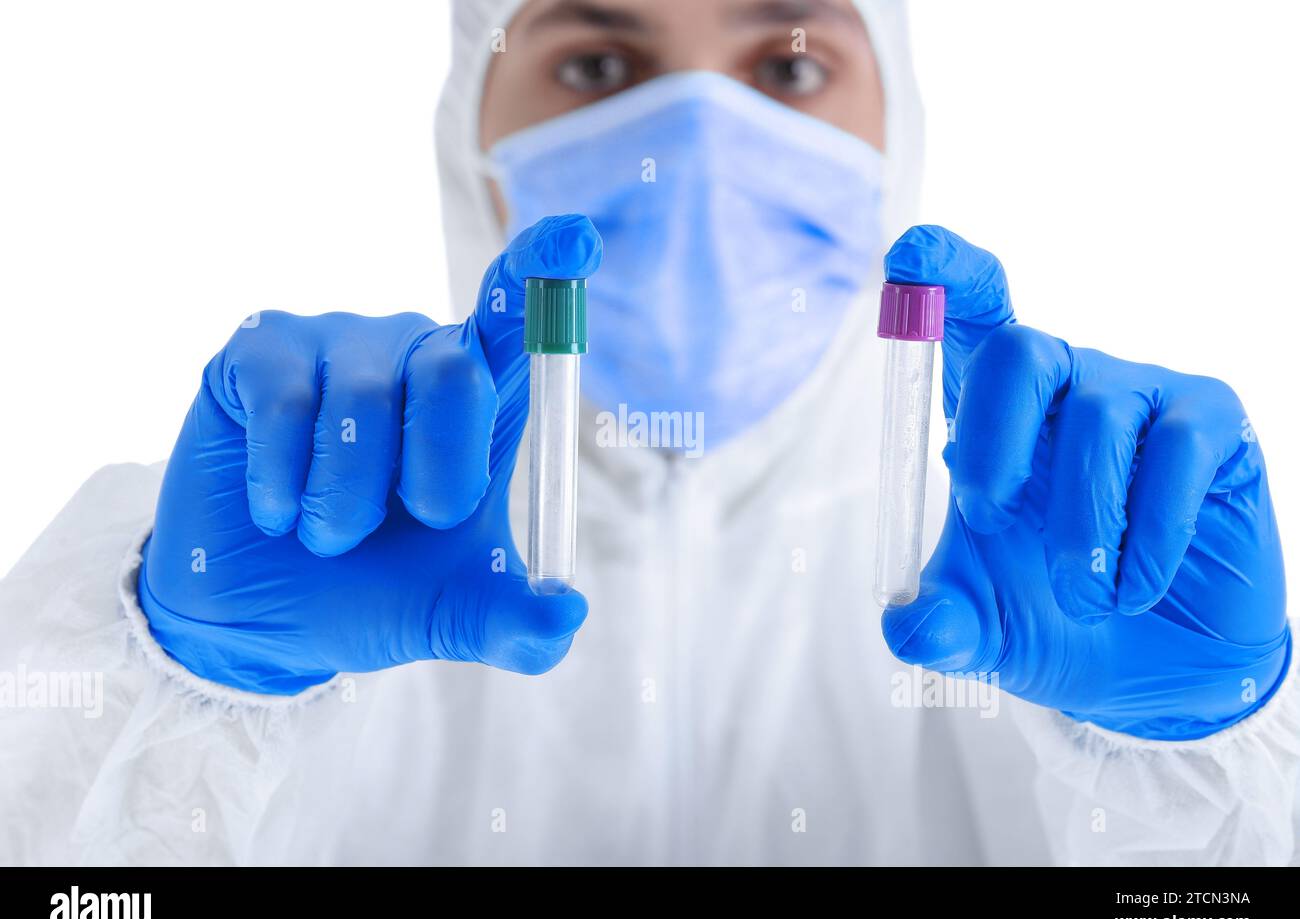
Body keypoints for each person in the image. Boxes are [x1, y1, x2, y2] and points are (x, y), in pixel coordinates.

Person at [0, 0, 1294, 866]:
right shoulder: (292, 541)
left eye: (787, 63)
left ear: (897, 117)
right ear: (472, 122)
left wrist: (1207, 781)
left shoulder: (1082, 578)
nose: (701, 134)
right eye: (598, 65)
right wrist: (188, 688)